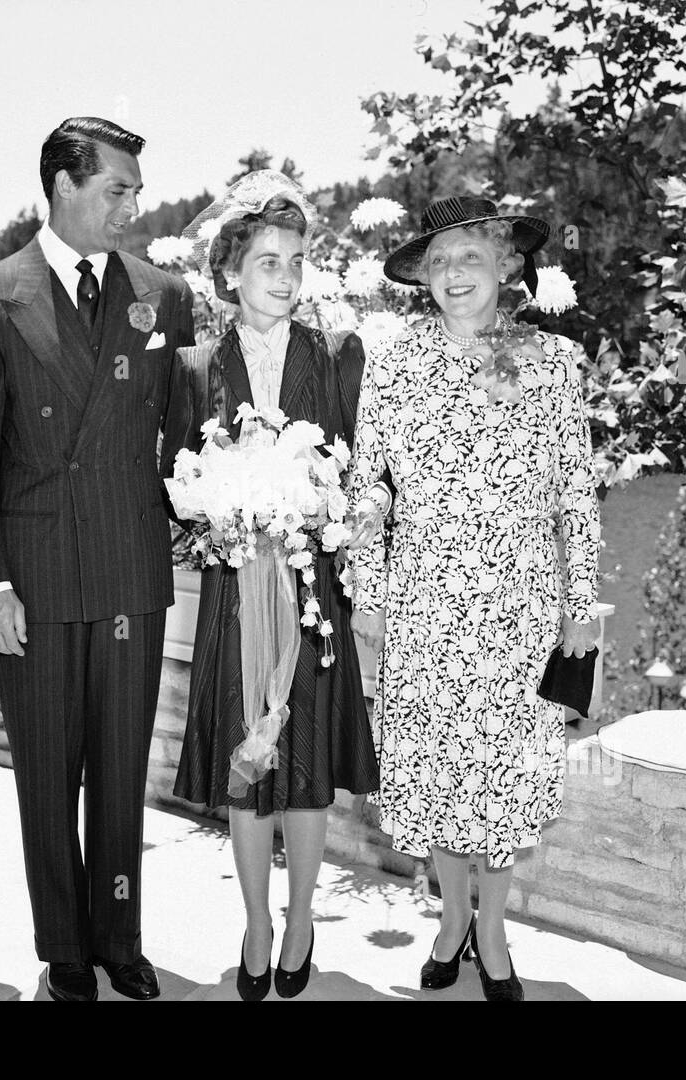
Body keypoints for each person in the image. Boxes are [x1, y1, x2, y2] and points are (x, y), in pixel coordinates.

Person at [0, 117, 195, 1002]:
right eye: (116, 189)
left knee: (123, 772)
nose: (132, 205)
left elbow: (185, 446)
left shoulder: (164, 296)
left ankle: (120, 937)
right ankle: (66, 949)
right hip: (36, 580)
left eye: (135, 189)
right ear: (62, 186)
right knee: (47, 774)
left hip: (130, 569)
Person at [346, 195, 602, 1001]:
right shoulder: (392, 361)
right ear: (423, 276)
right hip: (424, 608)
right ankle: (450, 916)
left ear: (506, 265)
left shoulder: (554, 363)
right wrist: (369, 591)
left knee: (504, 777)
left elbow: (576, 494)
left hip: (520, 610)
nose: (454, 273)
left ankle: (491, 928)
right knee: (434, 777)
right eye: (439, 260)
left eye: (470, 256)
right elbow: (369, 486)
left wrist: (582, 599)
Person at [160, 171, 387, 1000]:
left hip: (312, 590)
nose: (285, 275)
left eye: (297, 260)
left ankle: (300, 920)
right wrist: (208, 520)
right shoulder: (190, 367)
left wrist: (344, 512)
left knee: (308, 760)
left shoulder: (336, 355)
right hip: (231, 591)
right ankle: (255, 917)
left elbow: (365, 464)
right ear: (228, 271)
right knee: (246, 760)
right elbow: (173, 479)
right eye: (267, 260)